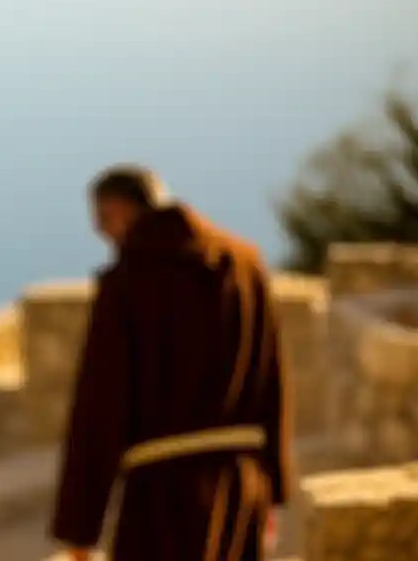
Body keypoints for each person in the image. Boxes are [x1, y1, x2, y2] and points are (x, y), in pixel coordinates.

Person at [51, 165, 293, 561]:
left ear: (117, 211)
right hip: (241, 488)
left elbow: (99, 406)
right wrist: (275, 488)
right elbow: (273, 382)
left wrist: (80, 528)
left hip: (160, 499)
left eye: (102, 224)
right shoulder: (246, 266)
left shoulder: (125, 282)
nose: (105, 237)